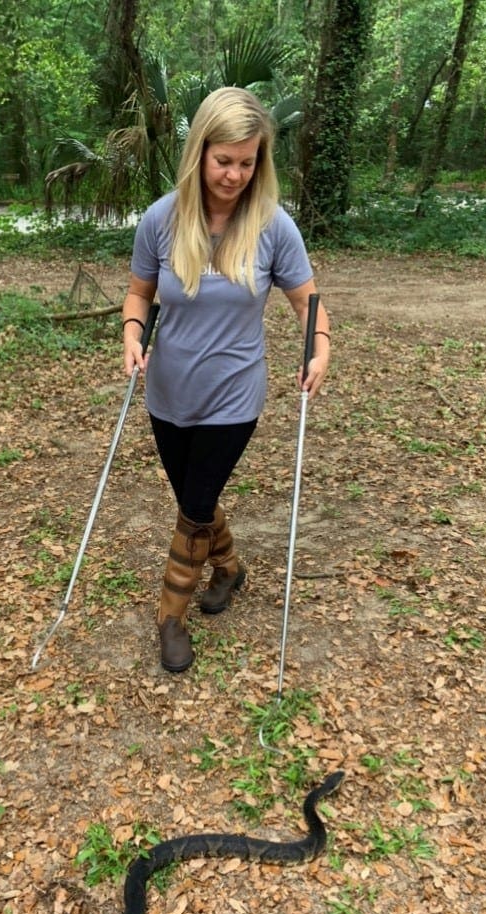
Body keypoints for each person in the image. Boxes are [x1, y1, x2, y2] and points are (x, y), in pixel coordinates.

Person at [122, 87, 331, 673]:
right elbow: (139, 293)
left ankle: (170, 617)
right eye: (224, 160)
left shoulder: (273, 226)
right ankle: (231, 568)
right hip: (168, 391)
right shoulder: (161, 220)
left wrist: (320, 349)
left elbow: (307, 302)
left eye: (248, 162)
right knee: (199, 496)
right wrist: (133, 334)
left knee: (192, 507)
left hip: (235, 395)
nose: (235, 174)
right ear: (200, 153)